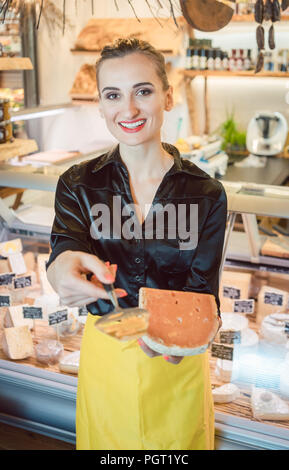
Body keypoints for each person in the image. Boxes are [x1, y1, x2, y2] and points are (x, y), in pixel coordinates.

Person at [46, 37, 227, 451]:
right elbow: (64, 251)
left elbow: (203, 294)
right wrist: (61, 270)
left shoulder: (206, 193)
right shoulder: (78, 184)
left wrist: (202, 330)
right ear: (101, 104)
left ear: (167, 95)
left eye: (142, 91)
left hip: (177, 362)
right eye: (113, 95)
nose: (127, 110)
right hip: (107, 351)